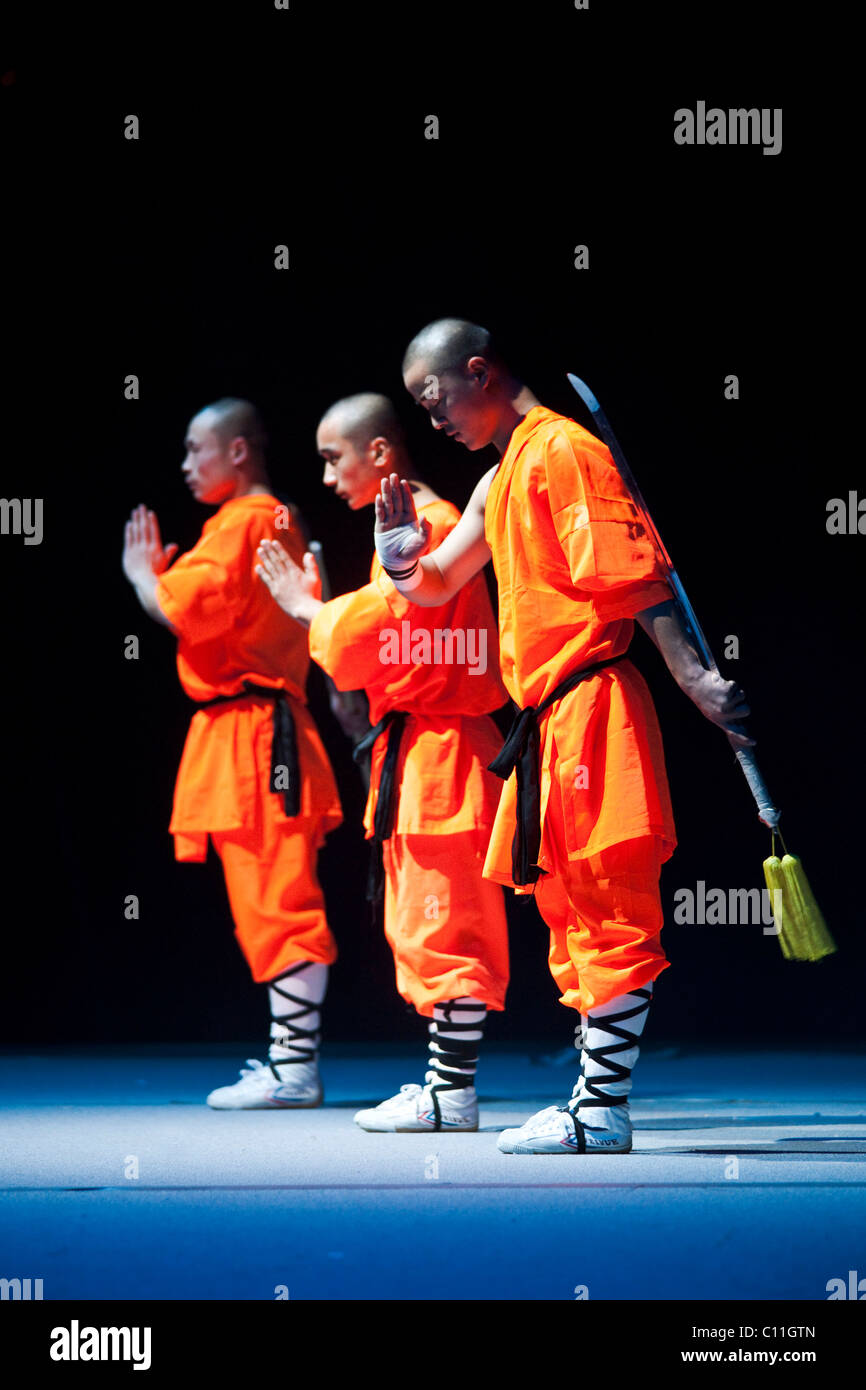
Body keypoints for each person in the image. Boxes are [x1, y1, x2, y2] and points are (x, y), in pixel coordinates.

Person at [373, 320, 754, 1154]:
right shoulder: (499, 476)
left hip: (592, 704)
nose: (434, 421)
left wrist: (694, 678)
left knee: (610, 904)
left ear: (479, 372)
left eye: (436, 401)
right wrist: (401, 557)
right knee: (569, 908)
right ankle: (592, 1103)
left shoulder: (564, 451)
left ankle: (601, 1110)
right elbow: (437, 583)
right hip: (546, 721)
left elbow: (633, 580)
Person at [255, 392, 510, 1133]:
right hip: (421, 750)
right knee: (424, 920)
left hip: (444, 752)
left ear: (379, 453)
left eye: (334, 458)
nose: (329, 478)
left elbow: (371, 634)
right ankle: (444, 1087)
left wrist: (307, 611)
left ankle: (450, 1094)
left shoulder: (427, 524)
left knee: (447, 922)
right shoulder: (410, 528)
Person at [121, 398, 342, 1109]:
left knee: (278, 899)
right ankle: (289, 1064)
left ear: (238, 451)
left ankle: (294, 1070)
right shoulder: (278, 518)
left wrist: (138, 577)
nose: (187, 465)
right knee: (267, 897)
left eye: (197, 450)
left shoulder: (245, 522)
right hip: (252, 730)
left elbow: (177, 606)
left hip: (256, 736)